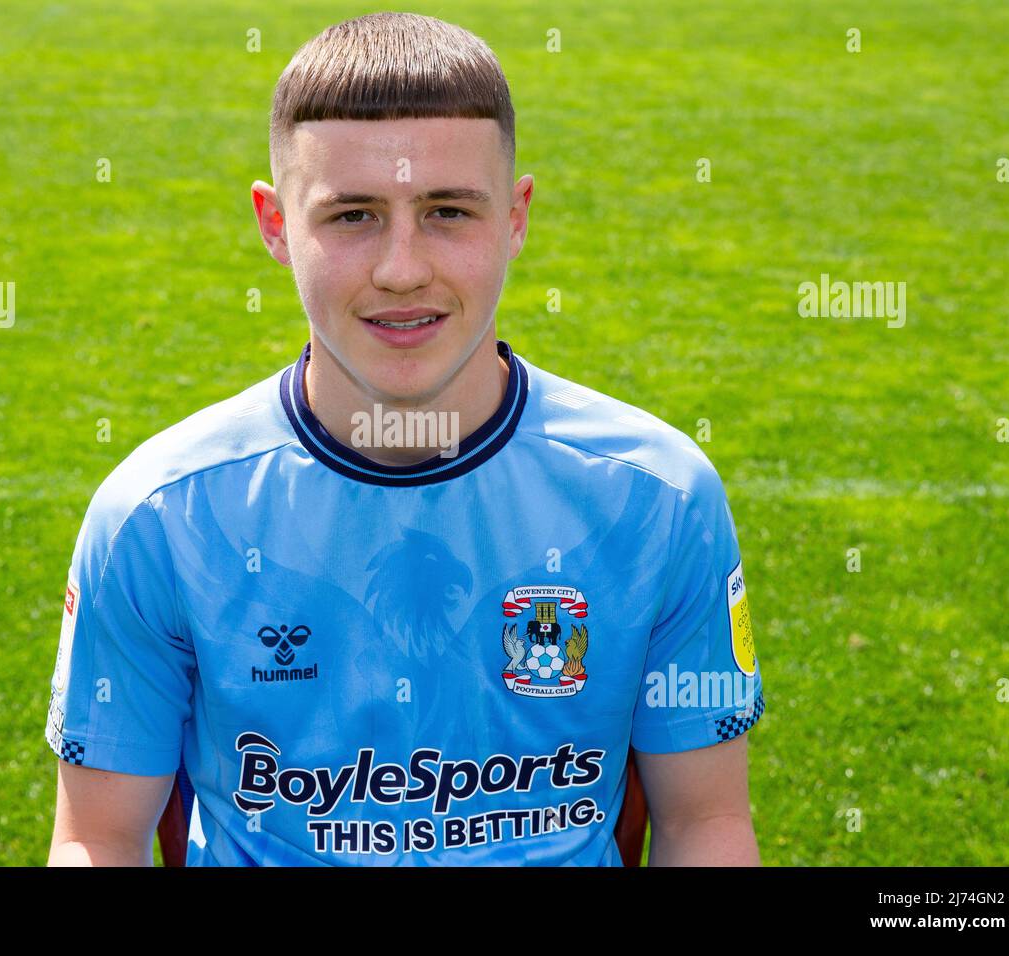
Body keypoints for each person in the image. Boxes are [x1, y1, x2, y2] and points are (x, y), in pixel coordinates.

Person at [46, 11, 765, 866]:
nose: (401, 268)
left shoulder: (658, 498)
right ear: (275, 226)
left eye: (448, 211)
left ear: (516, 217)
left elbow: (703, 823)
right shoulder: (158, 516)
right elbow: (98, 837)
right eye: (352, 216)